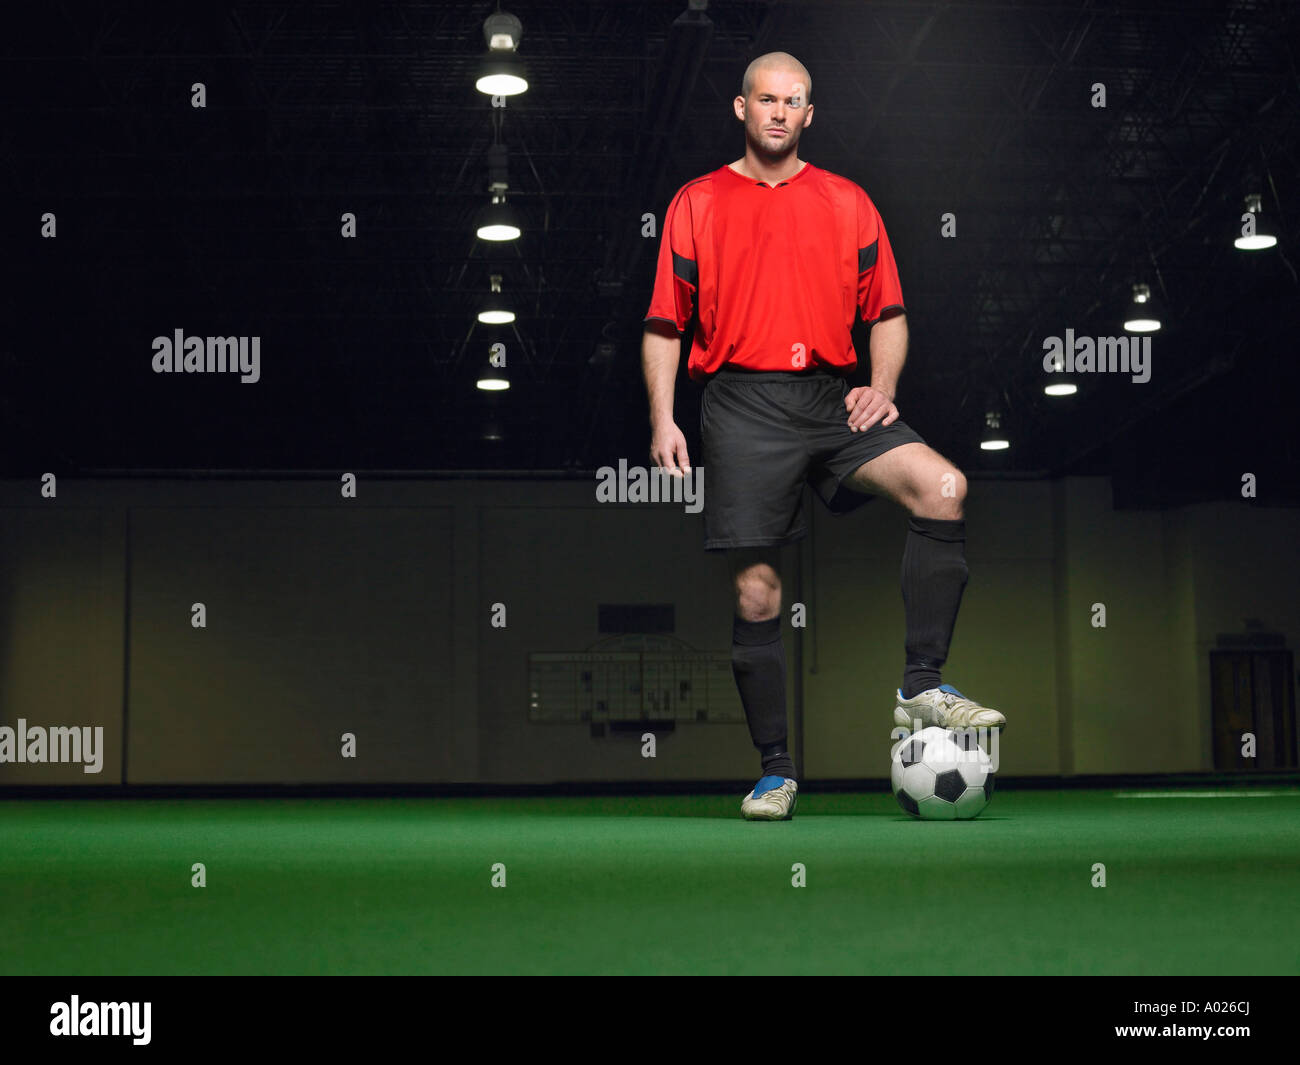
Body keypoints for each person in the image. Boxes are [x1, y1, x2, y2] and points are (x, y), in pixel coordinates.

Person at [641, 52, 1005, 821]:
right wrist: (663, 416)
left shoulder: (848, 202)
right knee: (758, 588)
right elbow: (665, 324)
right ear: (741, 109)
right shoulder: (696, 201)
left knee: (944, 487)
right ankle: (775, 770)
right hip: (738, 399)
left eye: (793, 101)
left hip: (832, 398)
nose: (778, 111)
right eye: (765, 99)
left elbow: (890, 314)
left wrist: (882, 384)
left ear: (810, 114)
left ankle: (922, 683)